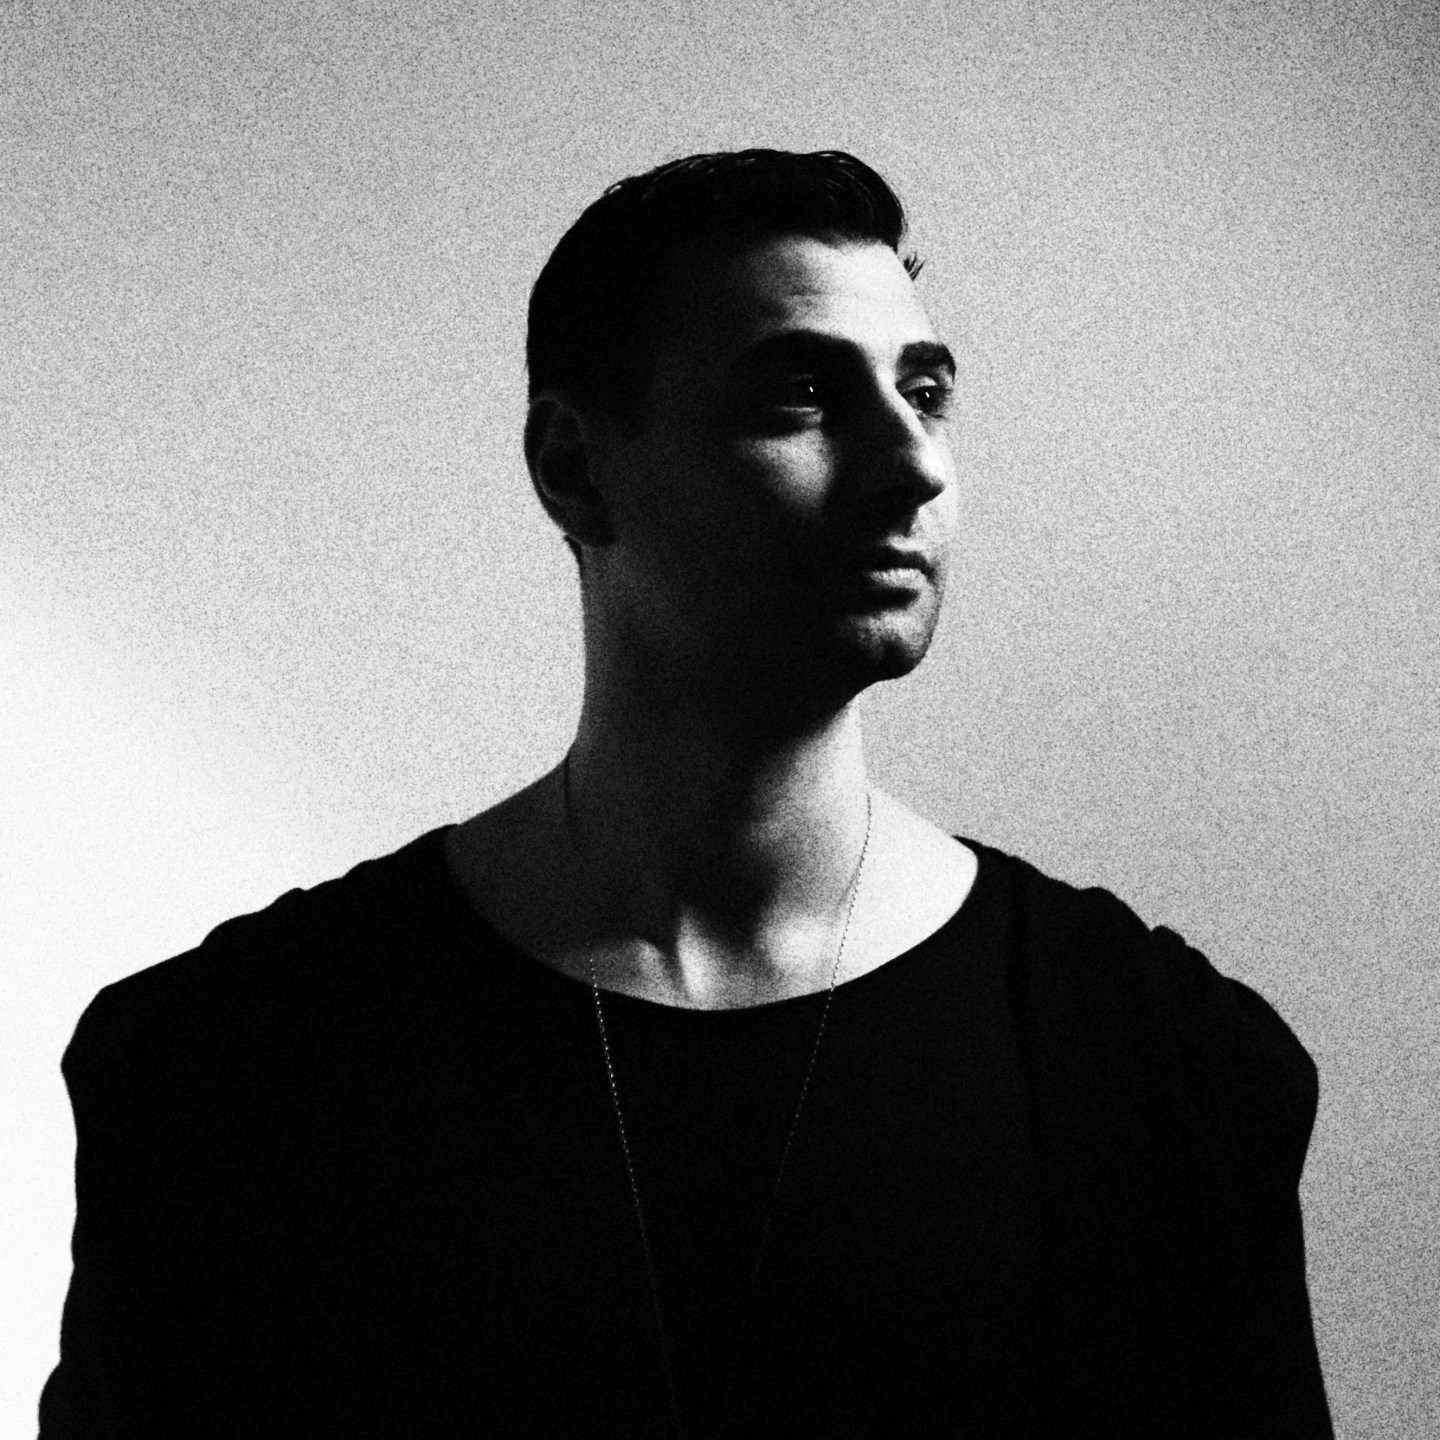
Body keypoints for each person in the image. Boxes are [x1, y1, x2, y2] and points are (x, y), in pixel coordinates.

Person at [39, 149, 1334, 1439]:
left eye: (927, 394)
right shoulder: (233, 1070)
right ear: (574, 467)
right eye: (801, 395)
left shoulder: (1161, 1067)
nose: (913, 465)